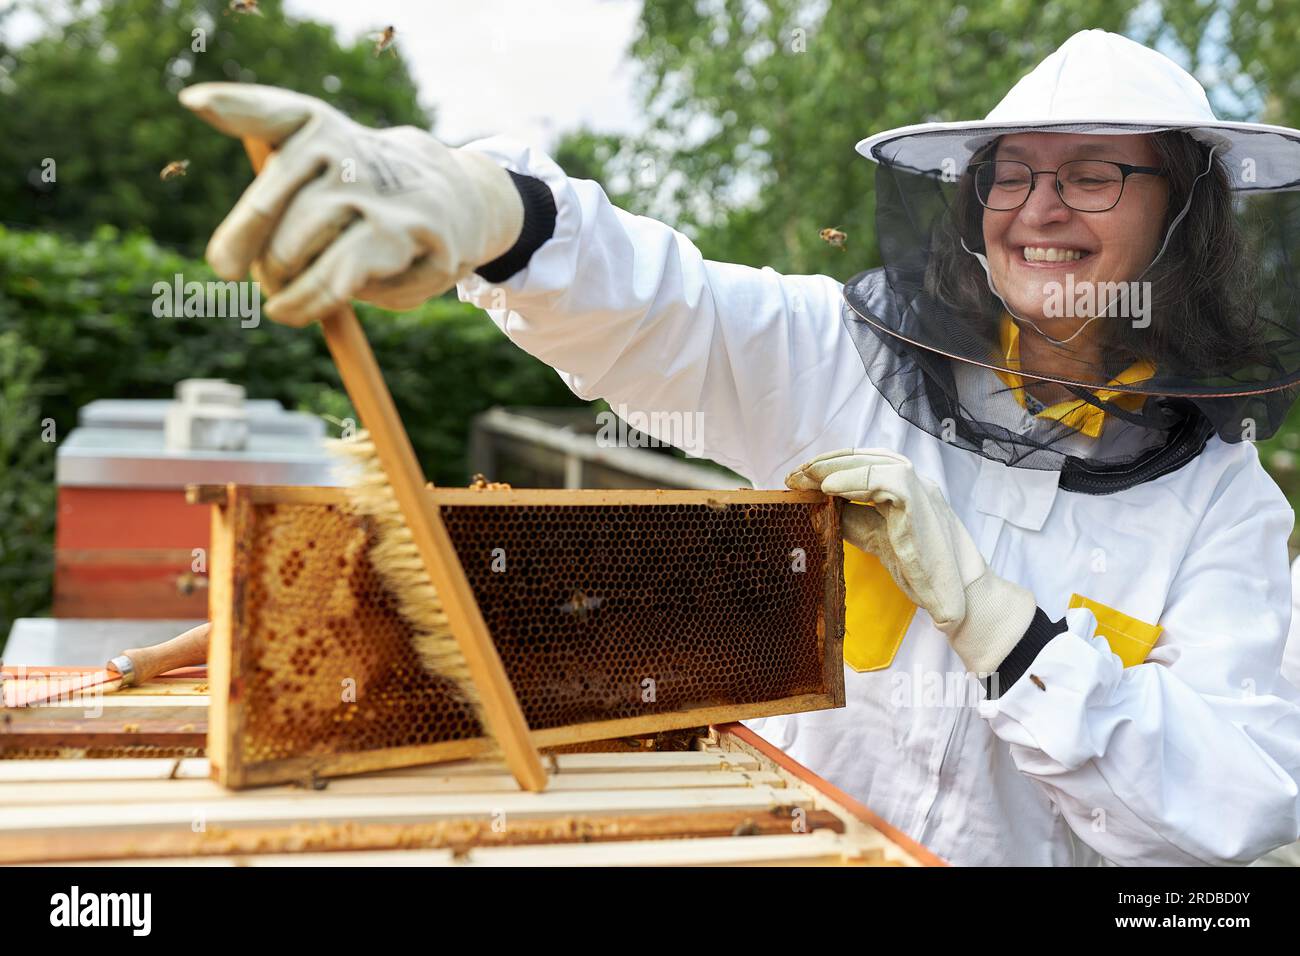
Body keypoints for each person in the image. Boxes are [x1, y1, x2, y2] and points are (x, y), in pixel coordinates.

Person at [179, 28, 1300, 865]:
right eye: (1012, 171)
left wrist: (1000, 626)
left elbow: (1224, 811)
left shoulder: (1224, 508)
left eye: (1094, 173)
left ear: (1183, 212)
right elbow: (666, 311)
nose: (1039, 208)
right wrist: (488, 207)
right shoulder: (841, 357)